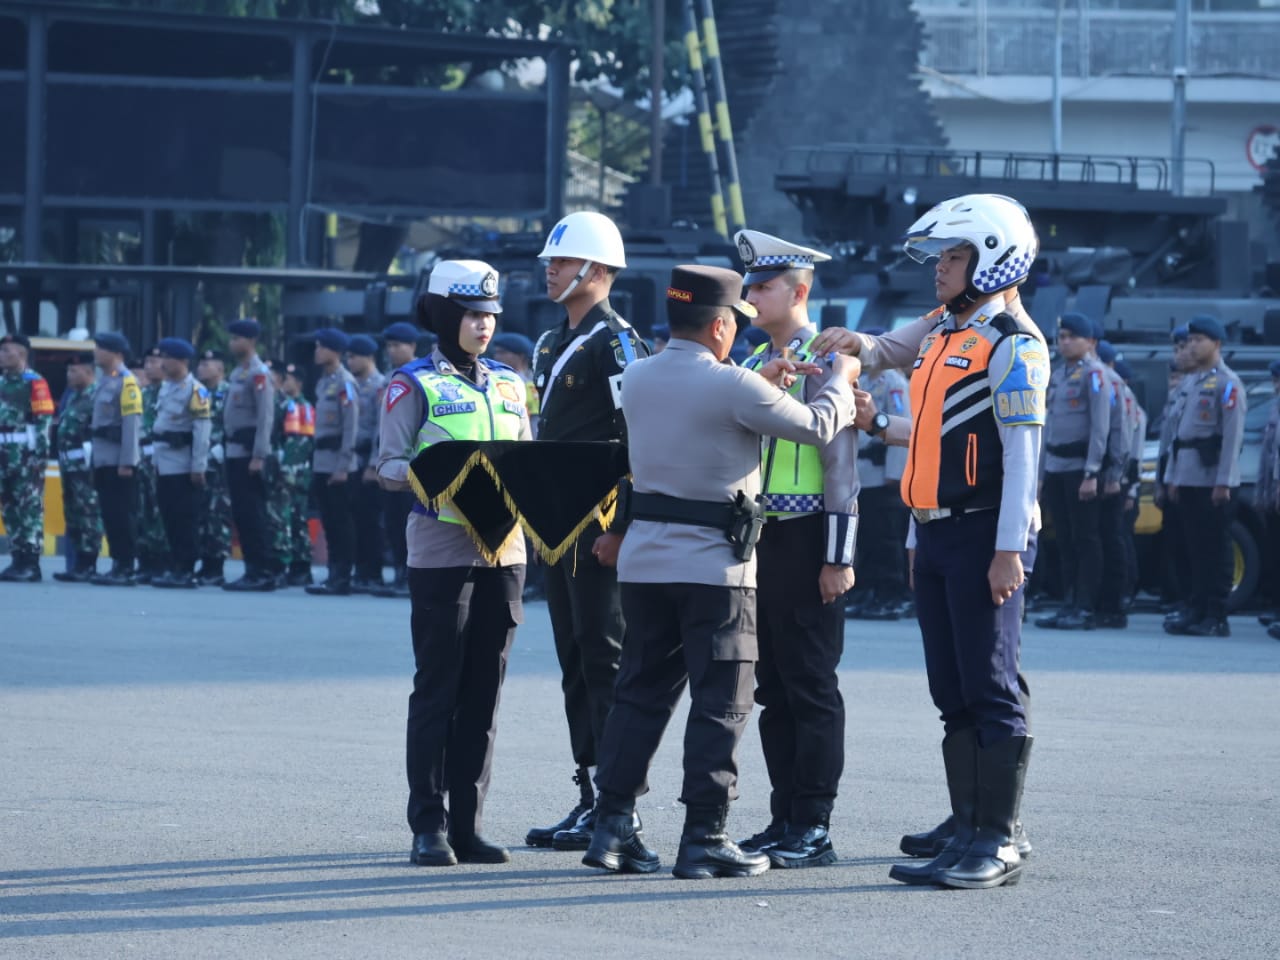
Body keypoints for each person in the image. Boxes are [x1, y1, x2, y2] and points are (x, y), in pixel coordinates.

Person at [581, 264, 861, 880]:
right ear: (718, 325)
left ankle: (612, 826)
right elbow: (816, 426)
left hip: (646, 563)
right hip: (716, 567)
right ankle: (704, 833)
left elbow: (695, 417)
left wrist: (755, 382)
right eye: (734, 322)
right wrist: (842, 376)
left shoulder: (639, 376)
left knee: (639, 696)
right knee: (721, 703)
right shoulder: (733, 383)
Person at [376, 259, 532, 866]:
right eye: (471, 314)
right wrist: (433, 477)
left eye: (491, 315)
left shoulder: (509, 382)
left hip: (507, 550)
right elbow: (387, 465)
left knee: (485, 691)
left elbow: (528, 457)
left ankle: (468, 823)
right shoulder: (411, 382)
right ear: (444, 315)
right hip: (441, 547)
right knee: (438, 687)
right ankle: (429, 825)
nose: (484, 326)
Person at [730, 229, 859, 870]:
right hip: (761, 539)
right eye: (748, 285)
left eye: (762, 286)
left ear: (798, 291)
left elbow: (840, 467)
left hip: (810, 538)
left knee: (810, 684)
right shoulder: (755, 365)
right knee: (772, 687)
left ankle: (815, 823)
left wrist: (839, 555)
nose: (750, 295)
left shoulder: (828, 363)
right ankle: (784, 818)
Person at [525, 211, 651, 851]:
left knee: (607, 660)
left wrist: (625, 526)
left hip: (601, 524)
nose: (549, 270)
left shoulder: (619, 343)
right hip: (557, 525)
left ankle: (620, 804)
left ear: (597, 271)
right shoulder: (550, 342)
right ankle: (589, 792)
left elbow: (640, 440)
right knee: (574, 658)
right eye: (549, 261)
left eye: (561, 261)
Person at [1162, 315, 1245, 637]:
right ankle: (1196, 608)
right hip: (1188, 477)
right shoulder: (1192, 383)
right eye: (1191, 340)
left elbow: (1231, 437)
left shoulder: (1228, 384)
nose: (1193, 346)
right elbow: (1177, 439)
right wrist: (1172, 477)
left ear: (1217, 344)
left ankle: (1216, 615)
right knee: (1194, 550)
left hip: (1213, 481)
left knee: (1215, 550)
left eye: (1199, 341)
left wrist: (1224, 481)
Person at [1032, 313, 1110, 631]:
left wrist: (1092, 471)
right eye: (1061, 336)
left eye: (1071, 336)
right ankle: (1069, 603)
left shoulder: (1095, 375)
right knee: (1064, 540)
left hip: (1080, 469)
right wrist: (1040, 475)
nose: (1064, 342)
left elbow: (1100, 427)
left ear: (1090, 342)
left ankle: (1086, 606)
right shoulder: (1059, 375)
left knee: (1085, 539)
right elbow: (1047, 428)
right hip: (1056, 467)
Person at [848, 330, 911, 621]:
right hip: (862, 472)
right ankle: (869, 590)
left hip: (882, 473)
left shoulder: (893, 383)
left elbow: (903, 423)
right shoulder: (863, 381)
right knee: (868, 538)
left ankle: (890, 593)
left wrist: (894, 473)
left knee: (887, 538)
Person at [149, 338, 212, 589]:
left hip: (183, 464)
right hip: (163, 462)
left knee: (184, 518)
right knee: (169, 517)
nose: (163, 362)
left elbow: (202, 430)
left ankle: (186, 569)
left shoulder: (196, 390)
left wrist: (198, 466)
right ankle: (175, 565)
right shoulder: (166, 387)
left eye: (168, 358)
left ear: (183, 361)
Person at [222, 319, 277, 592]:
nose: (232, 343)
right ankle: (251, 568)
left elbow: (265, 418)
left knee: (252, 514)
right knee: (242, 515)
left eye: (237, 338)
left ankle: (261, 571)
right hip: (234, 452)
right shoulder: (237, 373)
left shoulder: (259, 374)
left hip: (248, 455)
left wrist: (259, 455)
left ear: (251, 341)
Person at [306, 327, 359, 597]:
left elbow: (351, 427)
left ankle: (342, 576)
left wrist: (342, 466)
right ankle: (332, 574)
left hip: (338, 463)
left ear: (334, 351)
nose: (317, 352)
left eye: (321, 347)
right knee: (329, 520)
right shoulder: (323, 381)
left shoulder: (345, 382)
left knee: (340, 522)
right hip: (322, 461)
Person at [89, 332, 143, 586]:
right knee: (110, 514)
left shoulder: (127, 382)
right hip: (103, 459)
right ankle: (116, 563)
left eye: (101, 348)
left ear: (117, 353)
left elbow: (131, 425)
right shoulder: (105, 381)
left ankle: (125, 566)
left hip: (118, 461)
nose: (96, 352)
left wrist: (127, 461)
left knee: (122, 514)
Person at [0, 332, 54, 582]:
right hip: (3, 456)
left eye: (6, 351)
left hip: (25, 456)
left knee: (29, 508)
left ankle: (31, 562)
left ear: (21, 353)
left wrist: (38, 458)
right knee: (9, 508)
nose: (1, 356)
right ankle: (17, 558)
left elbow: (43, 423)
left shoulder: (34, 382)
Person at [373, 322, 421, 599]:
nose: (392, 351)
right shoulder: (391, 379)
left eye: (397, 345)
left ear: (412, 346)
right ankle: (398, 574)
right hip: (391, 462)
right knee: (391, 523)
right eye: (389, 346)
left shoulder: (420, 378)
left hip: (411, 464)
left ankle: (409, 574)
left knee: (407, 523)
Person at [52, 352, 104, 582]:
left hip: (86, 466)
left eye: (74, 370)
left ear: (89, 372)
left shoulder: (97, 397)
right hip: (69, 464)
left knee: (88, 514)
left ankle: (88, 563)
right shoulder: (73, 397)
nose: (69, 375)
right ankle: (77, 565)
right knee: (73, 513)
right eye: (68, 370)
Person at [347, 334, 387, 592]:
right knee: (355, 519)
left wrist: (374, 464)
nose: (349, 361)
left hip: (369, 460)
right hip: (353, 458)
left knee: (371, 520)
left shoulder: (379, 385)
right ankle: (360, 570)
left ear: (369, 357)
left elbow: (380, 428)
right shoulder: (352, 385)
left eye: (354, 357)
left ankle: (372, 572)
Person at [271, 361, 316, 587]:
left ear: (297, 383)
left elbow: (298, 443)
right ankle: (298, 566)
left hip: (293, 472)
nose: (282, 382)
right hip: (290, 471)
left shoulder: (299, 406)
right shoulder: (285, 404)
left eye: (286, 379)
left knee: (288, 519)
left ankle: (293, 564)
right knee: (293, 519)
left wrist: (286, 470)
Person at [195, 349, 233, 586]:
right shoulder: (199, 393)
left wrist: (223, 448)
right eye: (200, 364)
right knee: (201, 513)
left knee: (218, 513)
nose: (201, 368)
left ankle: (216, 566)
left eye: (207, 364)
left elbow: (234, 423)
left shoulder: (228, 393)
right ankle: (206, 563)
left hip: (220, 463)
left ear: (220, 369)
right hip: (201, 460)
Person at [1114, 359, 1147, 620]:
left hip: (1124, 481)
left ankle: (1126, 590)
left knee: (1121, 539)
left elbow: (1132, 451)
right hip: (1124, 479)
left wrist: (1132, 488)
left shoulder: (1126, 401)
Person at [134, 346, 170, 583]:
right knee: (142, 509)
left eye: (155, 361)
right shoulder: (144, 394)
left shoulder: (171, 392)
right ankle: (145, 560)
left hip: (163, 458)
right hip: (142, 457)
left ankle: (162, 562)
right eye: (147, 361)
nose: (149, 365)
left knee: (161, 510)